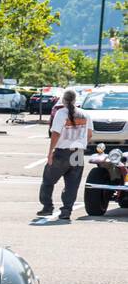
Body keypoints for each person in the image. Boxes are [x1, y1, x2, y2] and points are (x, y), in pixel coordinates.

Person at [39, 88, 88, 220]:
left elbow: (55, 134)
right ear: (76, 100)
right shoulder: (85, 114)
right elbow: (89, 134)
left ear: (63, 100)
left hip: (62, 152)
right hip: (78, 153)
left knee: (48, 180)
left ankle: (47, 207)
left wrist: (50, 152)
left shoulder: (61, 113)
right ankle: (66, 211)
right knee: (72, 184)